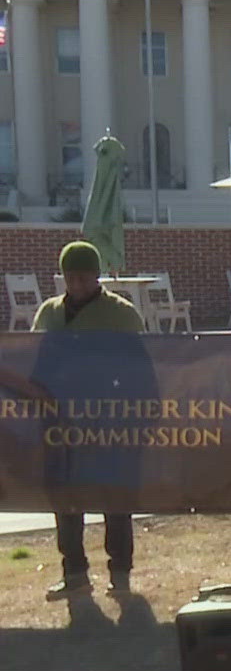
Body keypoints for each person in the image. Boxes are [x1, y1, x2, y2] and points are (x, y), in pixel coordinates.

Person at [33, 240, 146, 600]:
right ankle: (75, 573)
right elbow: (32, 363)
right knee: (65, 500)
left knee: (114, 498)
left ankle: (121, 572)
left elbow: (142, 369)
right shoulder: (48, 313)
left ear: (97, 276)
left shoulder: (121, 314)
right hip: (60, 423)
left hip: (108, 421)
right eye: (71, 277)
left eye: (84, 276)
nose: (77, 283)